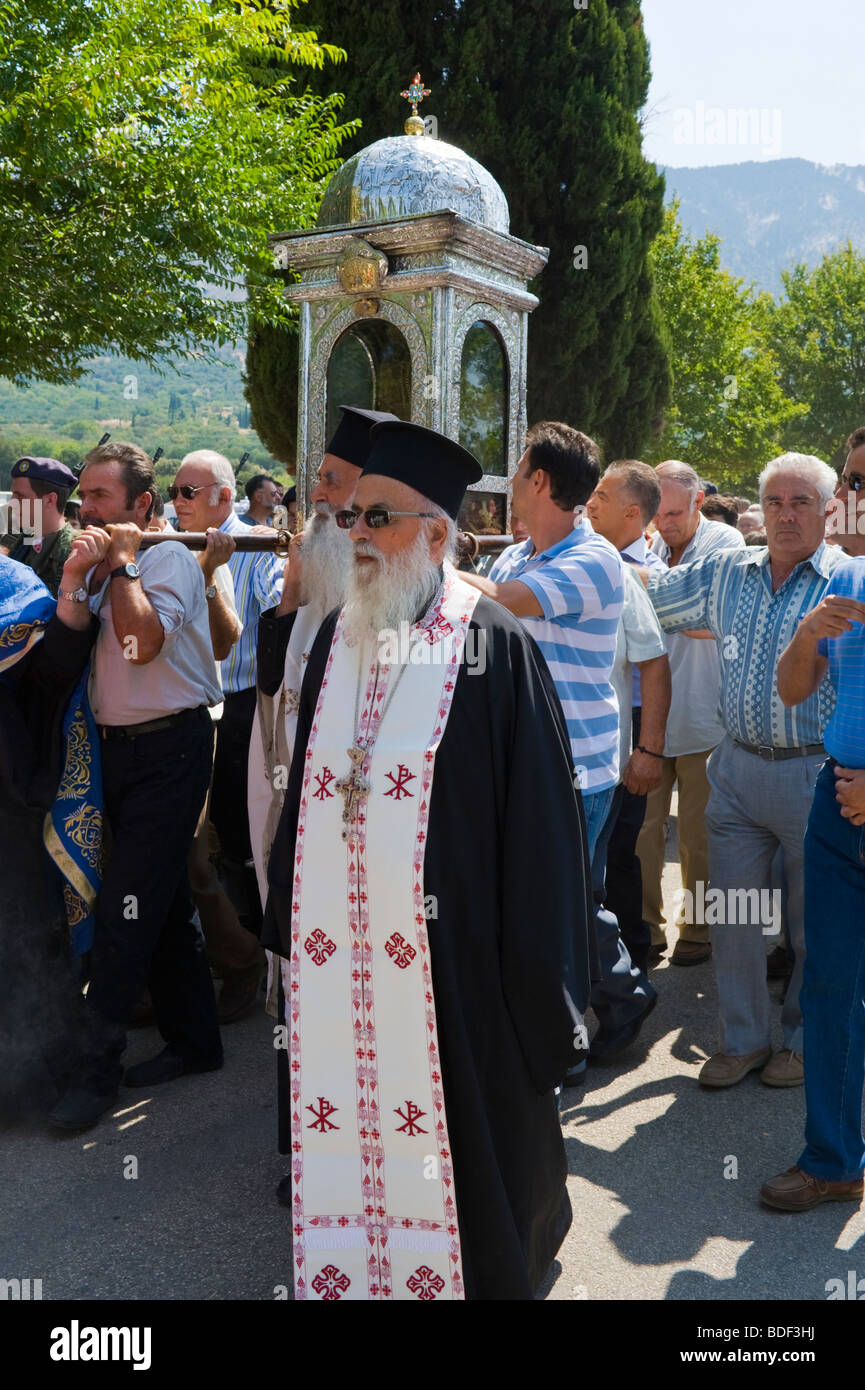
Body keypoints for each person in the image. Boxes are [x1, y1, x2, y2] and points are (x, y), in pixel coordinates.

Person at [262, 420, 593, 1300]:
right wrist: (287, 918)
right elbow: (313, 788)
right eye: (352, 517)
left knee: (473, 1136)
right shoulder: (340, 633)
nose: (356, 532)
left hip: (460, 958)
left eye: (379, 517)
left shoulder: (490, 643)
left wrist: (539, 976)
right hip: (347, 953)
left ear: (438, 535)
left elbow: (541, 833)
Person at [643, 452, 847, 1088]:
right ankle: (742, 1041)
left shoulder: (850, 582)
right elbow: (646, 597)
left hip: (816, 774)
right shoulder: (728, 570)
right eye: (776, 503)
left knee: (813, 925)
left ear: (828, 507)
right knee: (733, 912)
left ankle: (804, 1043)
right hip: (734, 768)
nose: (786, 516)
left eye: (801, 503)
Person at [461, 424, 656, 1066]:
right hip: (524, 765)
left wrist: (428, 557)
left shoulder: (595, 559)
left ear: (540, 481)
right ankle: (620, 996)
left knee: (562, 906)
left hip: (576, 770)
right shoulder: (515, 554)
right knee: (562, 901)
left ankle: (571, 1043)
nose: (510, 484)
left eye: (518, 473)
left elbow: (506, 605)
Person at [47, 441, 224, 1132]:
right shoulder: (95, 565)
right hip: (115, 757)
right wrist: (79, 573)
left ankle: (96, 1072)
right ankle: (197, 1042)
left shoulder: (168, 559)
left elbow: (141, 644)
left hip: (171, 753)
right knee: (163, 901)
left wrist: (120, 563)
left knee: (125, 910)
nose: (82, 508)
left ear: (140, 506)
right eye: (81, 496)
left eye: (98, 497)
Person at [761, 513, 865, 1210]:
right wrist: (803, 634)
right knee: (829, 984)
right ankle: (832, 1159)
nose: (851, 497)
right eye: (851, 481)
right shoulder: (846, 577)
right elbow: (793, 689)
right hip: (837, 803)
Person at [0, 550, 98, 1115]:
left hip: (8, 795)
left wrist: (70, 590)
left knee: (23, 934)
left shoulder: (18, 588)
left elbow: (57, 667)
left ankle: (34, 1081)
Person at [636, 461, 745, 967]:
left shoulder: (725, 542)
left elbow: (716, 616)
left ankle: (698, 929)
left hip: (706, 713)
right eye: (657, 512)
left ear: (699, 501)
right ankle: (645, 927)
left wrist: (647, 591)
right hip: (650, 715)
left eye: (675, 512)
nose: (664, 523)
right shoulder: (651, 541)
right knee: (644, 828)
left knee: (699, 834)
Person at [173, 451, 284, 939]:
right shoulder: (171, 542)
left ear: (223, 496)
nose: (179, 501)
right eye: (174, 490)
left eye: (189, 492)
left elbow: (282, 606)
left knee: (237, 829)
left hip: (241, 709)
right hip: (189, 710)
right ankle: (226, 946)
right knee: (201, 837)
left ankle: (254, 946)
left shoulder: (256, 544)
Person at [586, 461, 671, 972]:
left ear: (632, 512)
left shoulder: (650, 577)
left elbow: (656, 665)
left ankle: (629, 961)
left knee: (622, 849)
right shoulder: (571, 561)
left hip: (633, 725)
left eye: (601, 494)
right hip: (592, 726)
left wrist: (648, 749)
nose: (589, 502)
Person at [2, 456, 78, 597]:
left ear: (49, 500)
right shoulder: (21, 542)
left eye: (20, 497)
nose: (12, 503)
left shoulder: (77, 549)